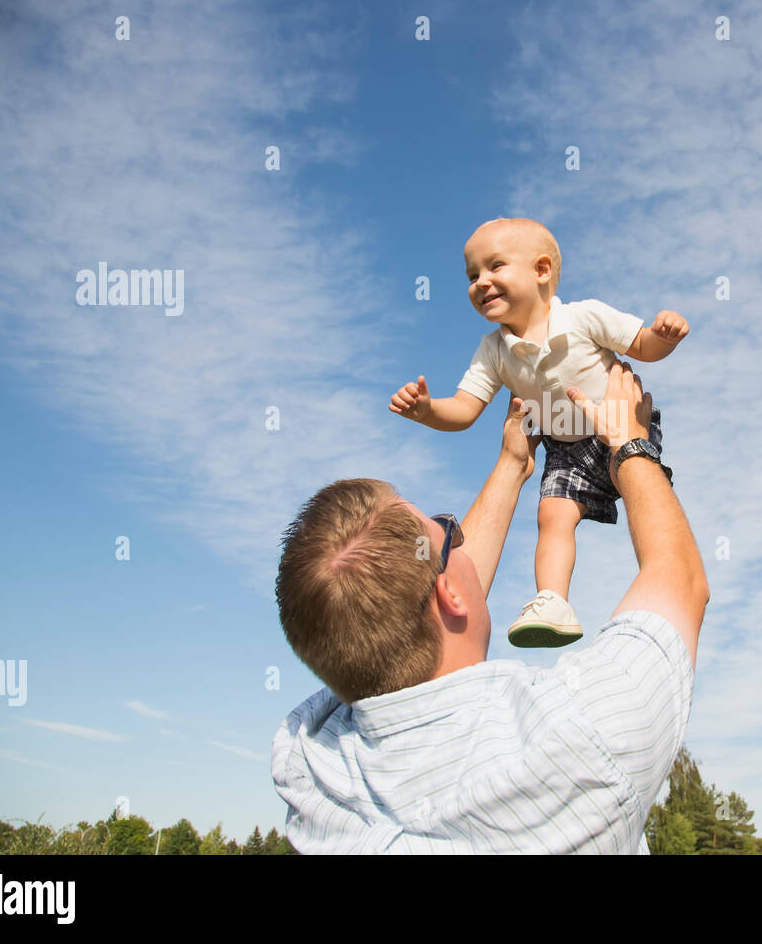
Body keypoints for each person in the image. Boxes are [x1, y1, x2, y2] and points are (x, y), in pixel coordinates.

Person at [272, 361, 709, 853]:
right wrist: (631, 443)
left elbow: (426, 601)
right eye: (447, 530)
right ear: (447, 594)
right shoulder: (581, 740)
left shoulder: (312, 765)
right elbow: (679, 580)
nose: (460, 538)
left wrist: (511, 466)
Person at [388, 217, 691, 647]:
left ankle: (666, 583)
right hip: (563, 446)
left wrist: (665, 337)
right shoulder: (492, 350)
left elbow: (642, 346)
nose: (481, 282)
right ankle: (552, 601)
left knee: (644, 494)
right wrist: (426, 410)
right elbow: (464, 409)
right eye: (472, 275)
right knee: (551, 516)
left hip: (619, 426)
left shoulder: (584, 316)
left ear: (542, 271)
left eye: (495, 266)